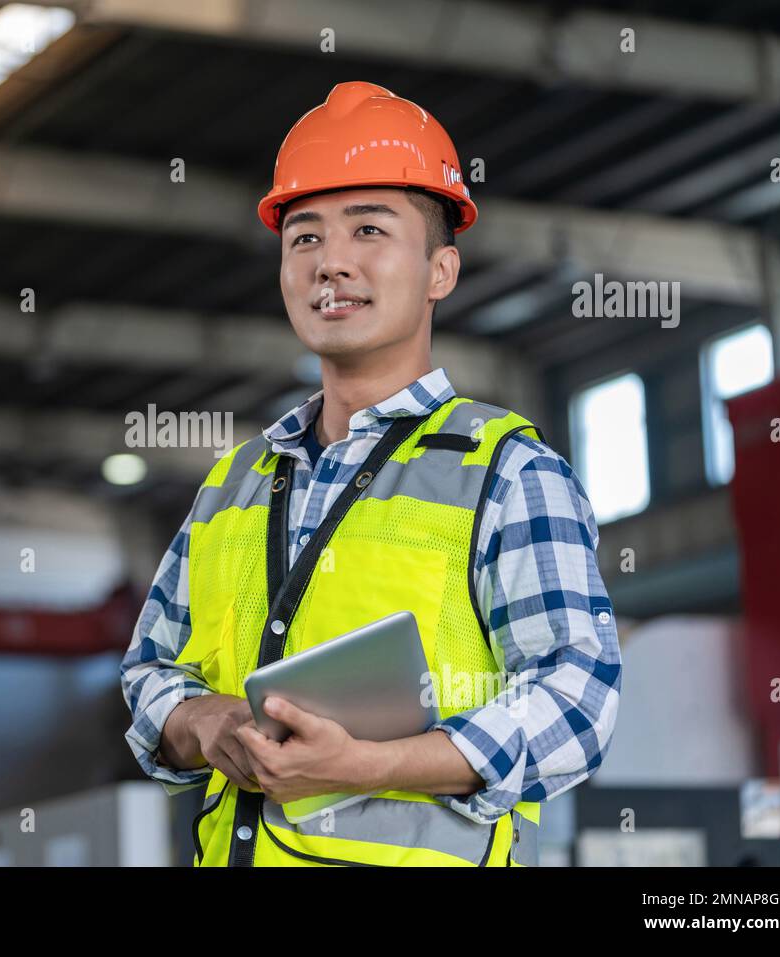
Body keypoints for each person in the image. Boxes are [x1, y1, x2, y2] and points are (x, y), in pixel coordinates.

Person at [120, 81, 621, 867]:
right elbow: (151, 669)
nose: (333, 263)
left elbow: (576, 698)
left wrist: (373, 764)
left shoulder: (508, 472)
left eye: (369, 229)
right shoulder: (232, 483)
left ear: (439, 271)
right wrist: (205, 722)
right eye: (305, 238)